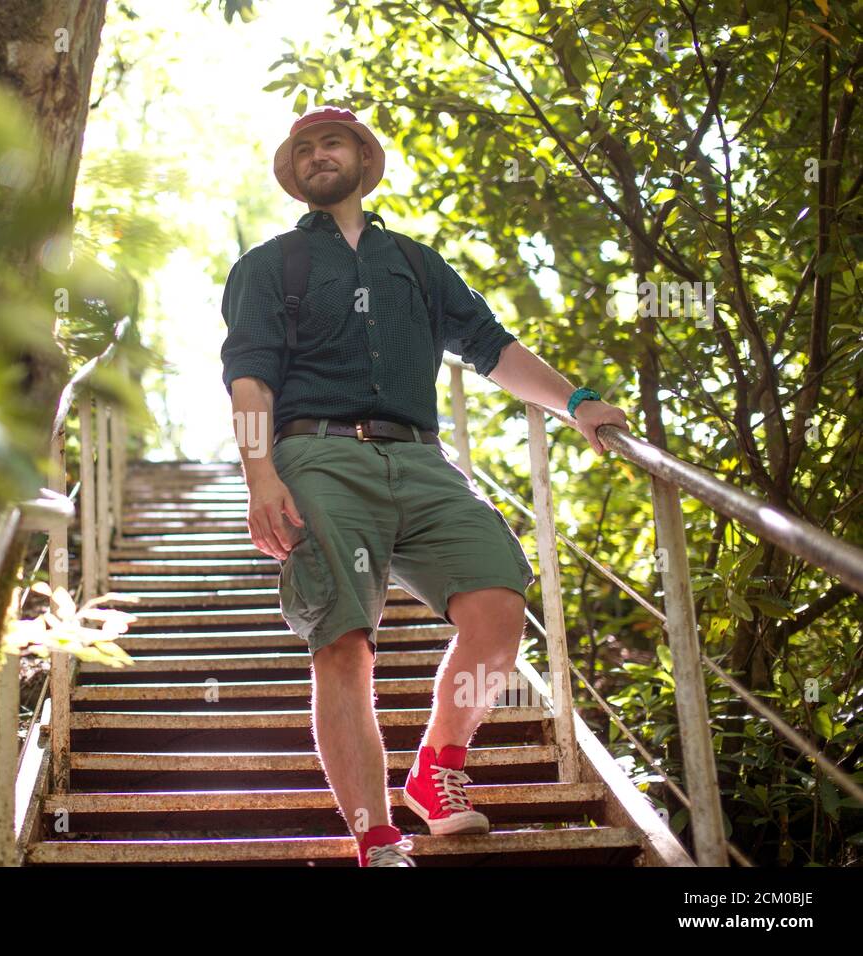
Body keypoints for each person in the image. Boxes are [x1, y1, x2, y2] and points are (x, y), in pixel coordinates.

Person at [219, 104, 632, 867]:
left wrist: (576, 403)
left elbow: (489, 345)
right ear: (291, 172)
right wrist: (260, 474)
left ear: (364, 160)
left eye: (331, 141)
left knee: (498, 602)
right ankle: (376, 837)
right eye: (302, 147)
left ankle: (437, 768)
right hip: (318, 457)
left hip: (420, 459)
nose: (317, 154)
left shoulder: (413, 262)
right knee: (344, 640)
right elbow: (250, 380)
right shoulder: (269, 266)